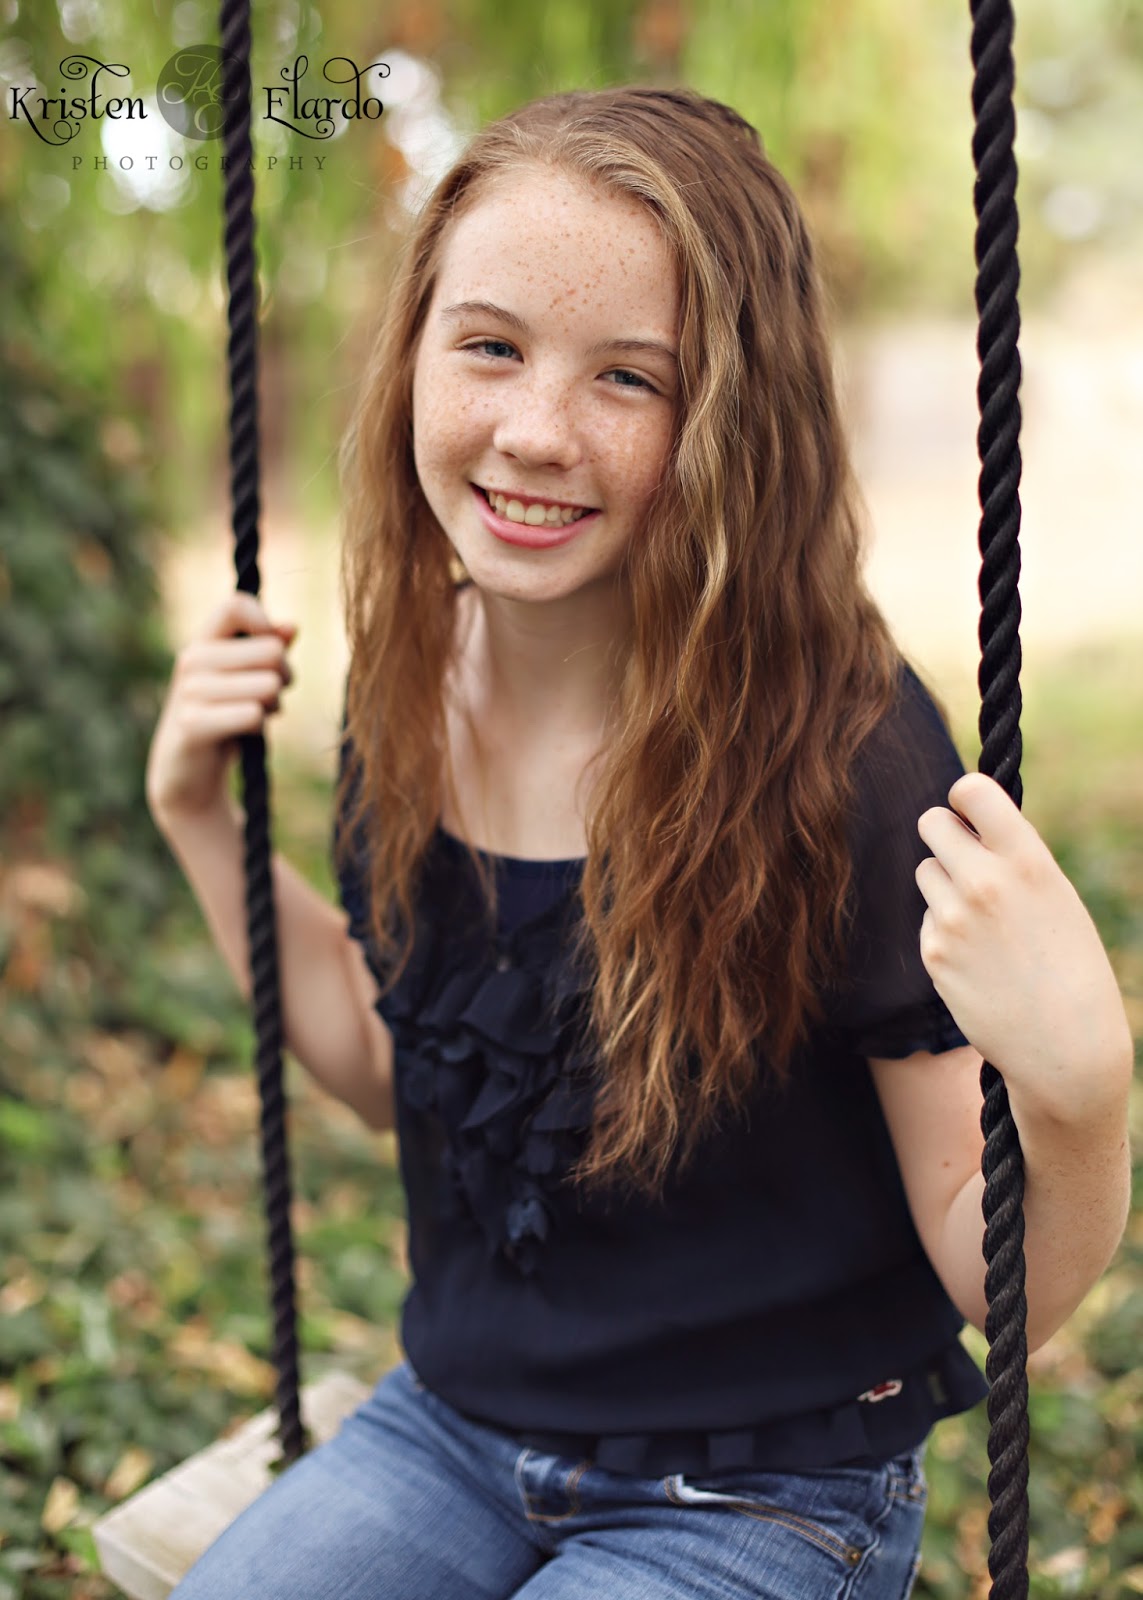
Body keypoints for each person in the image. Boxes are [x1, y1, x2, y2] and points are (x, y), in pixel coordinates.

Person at [145, 84, 1133, 1600]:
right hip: (451, 1431)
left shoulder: (843, 752)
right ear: (414, 354)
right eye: (489, 346)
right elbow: (391, 1062)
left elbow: (988, 1275)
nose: (535, 433)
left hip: (761, 1487)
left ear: (734, 418)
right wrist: (198, 818)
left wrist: (1081, 1099)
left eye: (629, 377)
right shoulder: (411, 676)